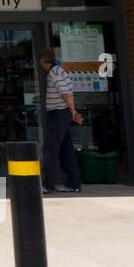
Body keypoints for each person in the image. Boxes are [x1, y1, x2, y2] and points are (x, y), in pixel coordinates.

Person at [39, 47, 83, 193]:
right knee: (66, 149)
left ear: (43, 61)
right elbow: (68, 93)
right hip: (62, 114)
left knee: (50, 149)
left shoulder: (54, 73)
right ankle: (73, 183)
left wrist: (73, 112)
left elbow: (65, 94)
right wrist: (72, 112)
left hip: (59, 114)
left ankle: (48, 184)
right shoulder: (61, 70)